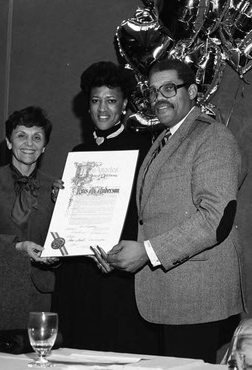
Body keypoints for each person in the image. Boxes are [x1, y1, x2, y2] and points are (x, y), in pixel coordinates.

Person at [99, 58, 247, 363]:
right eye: (153, 92)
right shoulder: (163, 141)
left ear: (192, 91)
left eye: (169, 88)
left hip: (197, 298)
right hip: (166, 297)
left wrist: (148, 251)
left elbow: (215, 218)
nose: (158, 98)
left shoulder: (212, 137)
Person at [51, 61, 159, 355]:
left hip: (119, 273)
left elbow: (149, 213)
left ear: (124, 106)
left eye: (111, 101)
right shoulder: (79, 154)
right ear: (87, 106)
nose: (102, 109)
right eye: (96, 101)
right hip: (79, 275)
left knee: (118, 352)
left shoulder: (144, 149)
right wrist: (61, 198)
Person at [0, 106, 58, 329]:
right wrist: (18, 247)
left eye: (37, 137)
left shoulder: (57, 187)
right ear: (9, 142)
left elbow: (62, 237)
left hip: (40, 294)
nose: (29, 143)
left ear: (44, 146)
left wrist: (58, 252)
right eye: (21, 136)